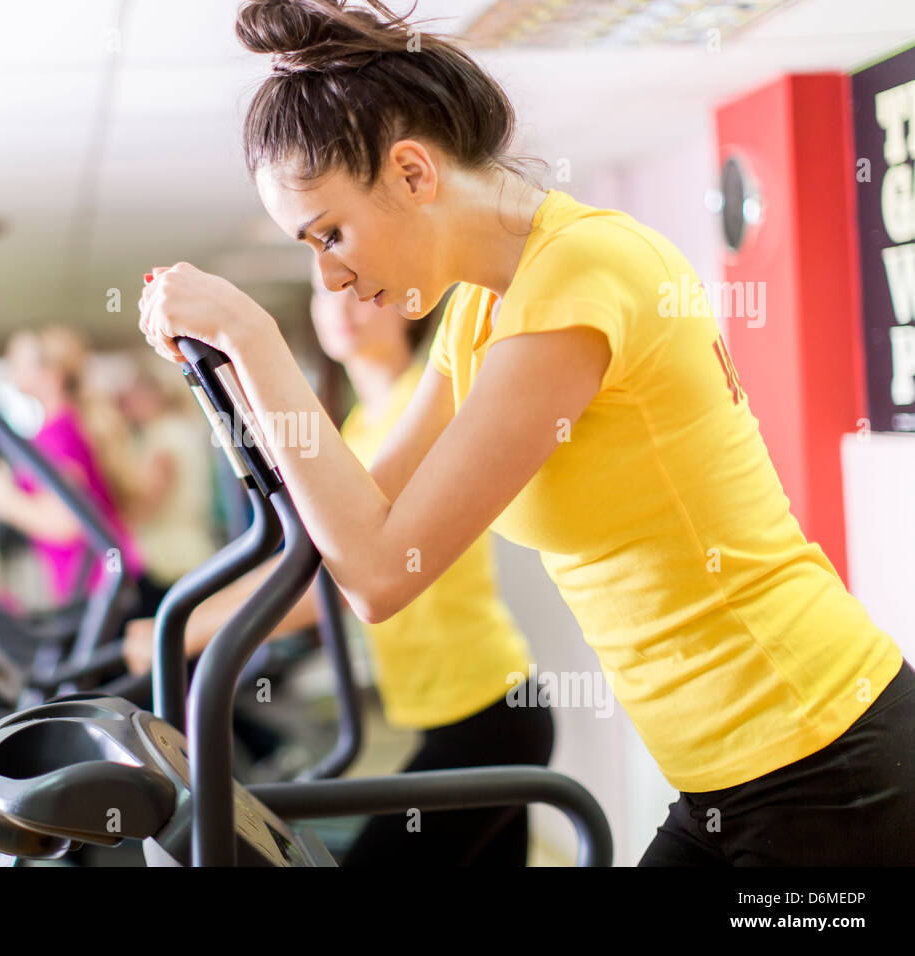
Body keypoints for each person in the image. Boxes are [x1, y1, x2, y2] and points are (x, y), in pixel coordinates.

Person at [136, 0, 914, 865]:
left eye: (331, 233)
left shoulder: (579, 278)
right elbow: (365, 498)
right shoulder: (482, 311)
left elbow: (384, 573)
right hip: (727, 777)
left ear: (412, 173)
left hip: (822, 759)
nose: (331, 274)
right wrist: (237, 376)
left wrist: (255, 338)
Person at [125, 259, 552, 866]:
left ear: (404, 300)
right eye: (323, 296)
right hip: (448, 712)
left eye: (355, 290)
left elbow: (330, 581)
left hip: (489, 709)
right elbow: (300, 553)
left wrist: (186, 630)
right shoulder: (354, 428)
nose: (340, 307)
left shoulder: (424, 404)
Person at [0, 327, 161, 617]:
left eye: (20, 361)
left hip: (101, 591)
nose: (12, 367)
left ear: (51, 376)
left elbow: (68, 522)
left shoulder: (57, 434)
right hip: (108, 584)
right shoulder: (65, 425)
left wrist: (4, 500)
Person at [112, 352, 219, 589]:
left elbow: (146, 504)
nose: (123, 405)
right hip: (188, 551)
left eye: (128, 397)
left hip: (168, 561)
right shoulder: (179, 429)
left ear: (148, 395)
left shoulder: (164, 439)